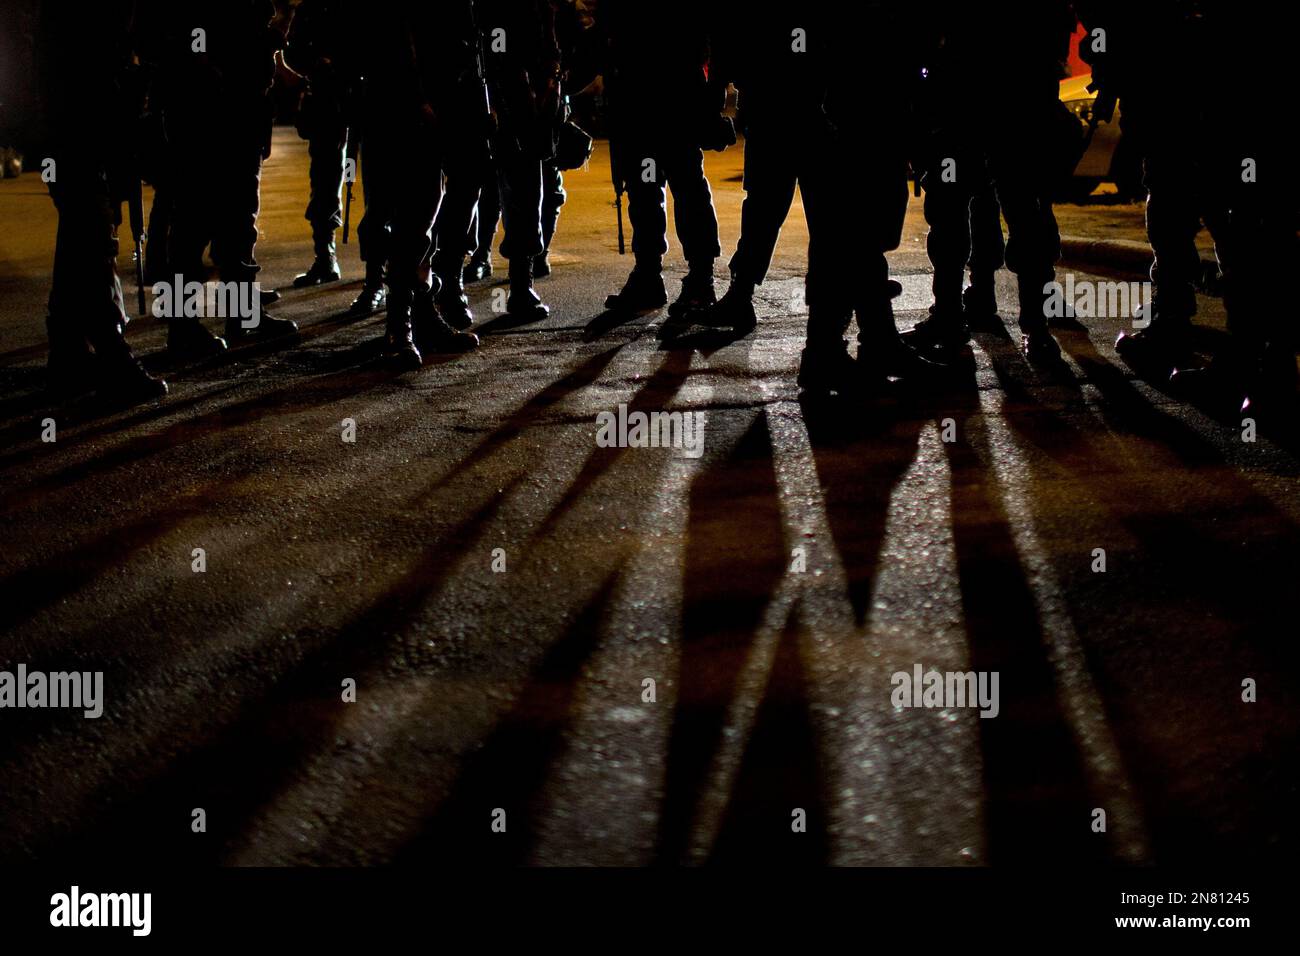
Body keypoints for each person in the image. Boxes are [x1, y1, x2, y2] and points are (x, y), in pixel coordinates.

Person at [35, 0, 167, 404]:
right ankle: (111, 357)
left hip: (77, 123)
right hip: (78, 123)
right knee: (91, 236)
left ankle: (69, 354)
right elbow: (89, 59)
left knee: (79, 237)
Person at [359, 0, 480, 367]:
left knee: (428, 215)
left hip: (441, 101)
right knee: (411, 220)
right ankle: (399, 326)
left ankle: (421, 314)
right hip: (403, 109)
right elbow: (393, 42)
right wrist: (419, 99)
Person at [598, 0, 728, 319]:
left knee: (685, 186)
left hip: (676, 96)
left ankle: (700, 278)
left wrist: (712, 96)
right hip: (640, 99)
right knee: (647, 189)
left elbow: (712, 32)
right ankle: (650, 274)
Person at [283, 0, 353, 290]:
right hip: (328, 102)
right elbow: (293, 52)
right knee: (325, 180)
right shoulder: (313, 9)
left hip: (363, 97)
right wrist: (319, 65)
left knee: (380, 186)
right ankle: (326, 257)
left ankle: (380, 264)